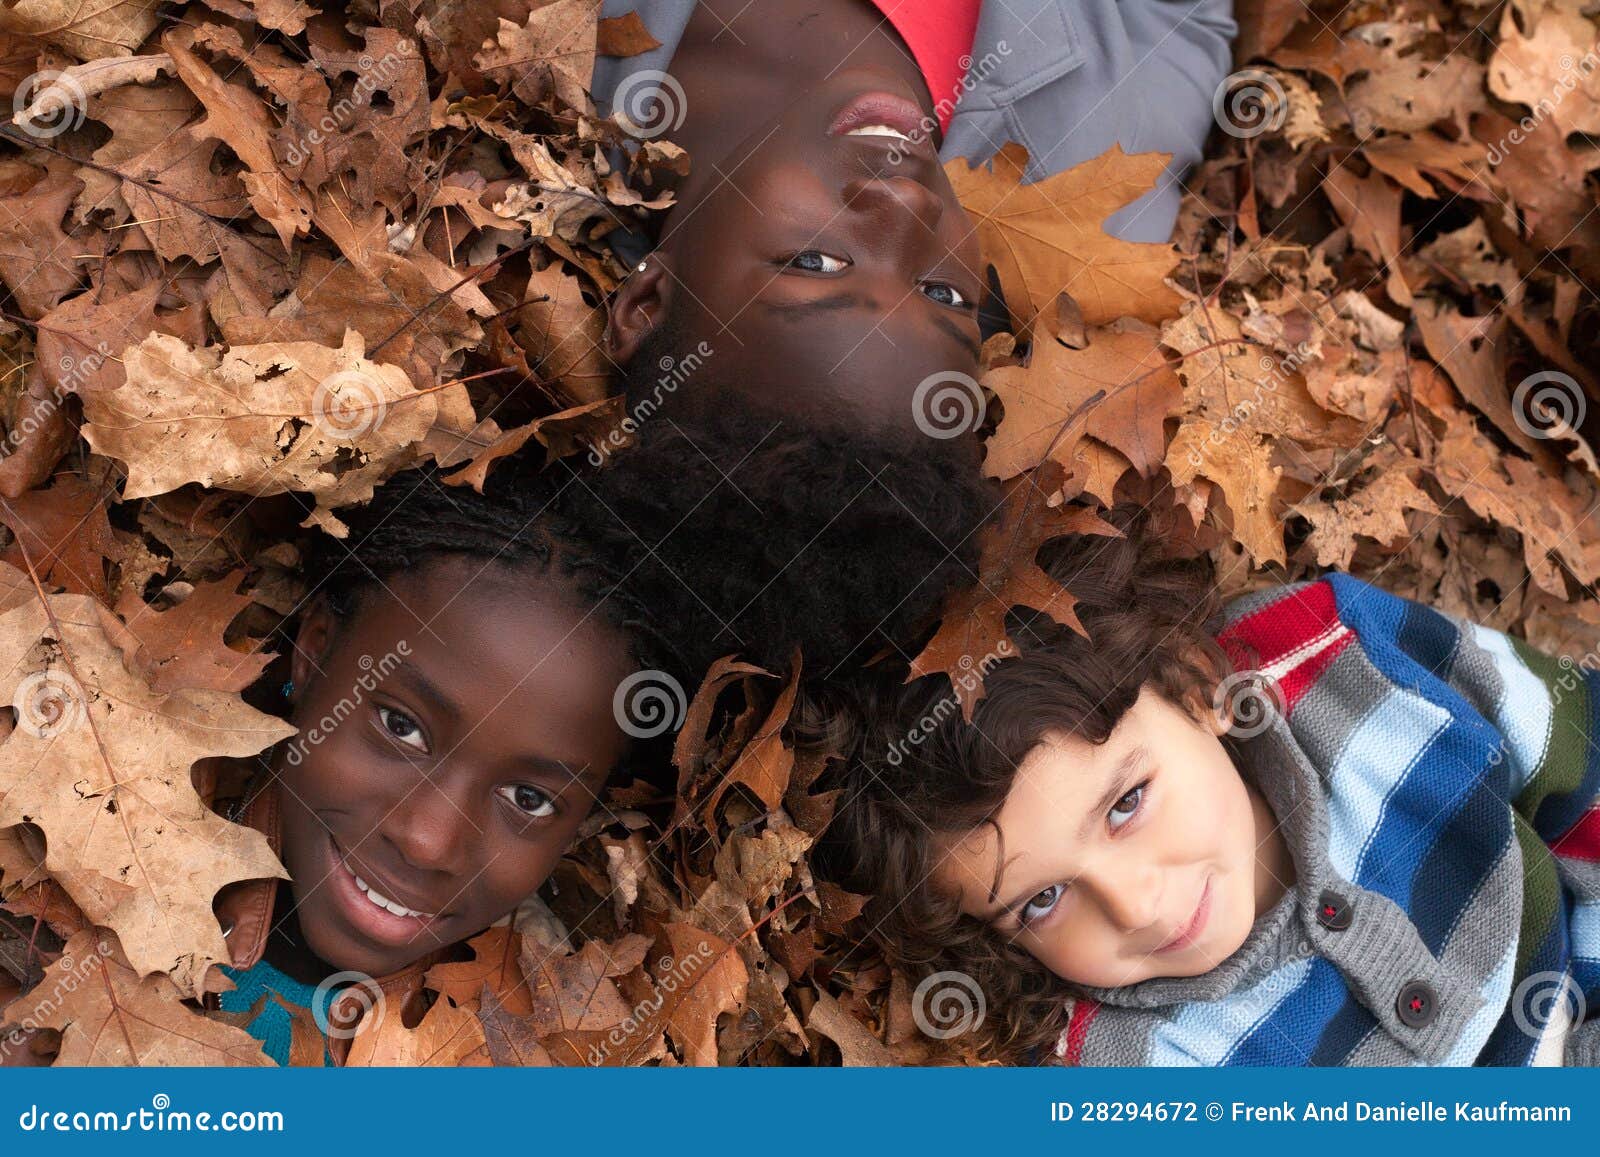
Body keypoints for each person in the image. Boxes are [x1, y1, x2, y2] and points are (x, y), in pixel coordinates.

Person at [566, 0, 1238, 679]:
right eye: (945, 296)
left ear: (647, 300)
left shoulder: (552, 44)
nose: (910, 206)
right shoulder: (1098, 164)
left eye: (816, 263)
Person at [806, 509, 1600, 1066]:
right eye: (1040, 900)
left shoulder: (1338, 660)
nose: (1138, 906)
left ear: (1195, 685)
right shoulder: (1123, 1066)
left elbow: (1580, 764)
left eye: (1126, 804)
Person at [6, 465, 679, 1066]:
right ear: (316, 651)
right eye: (401, 725)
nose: (427, 838)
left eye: (529, 798)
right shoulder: (38, 890)